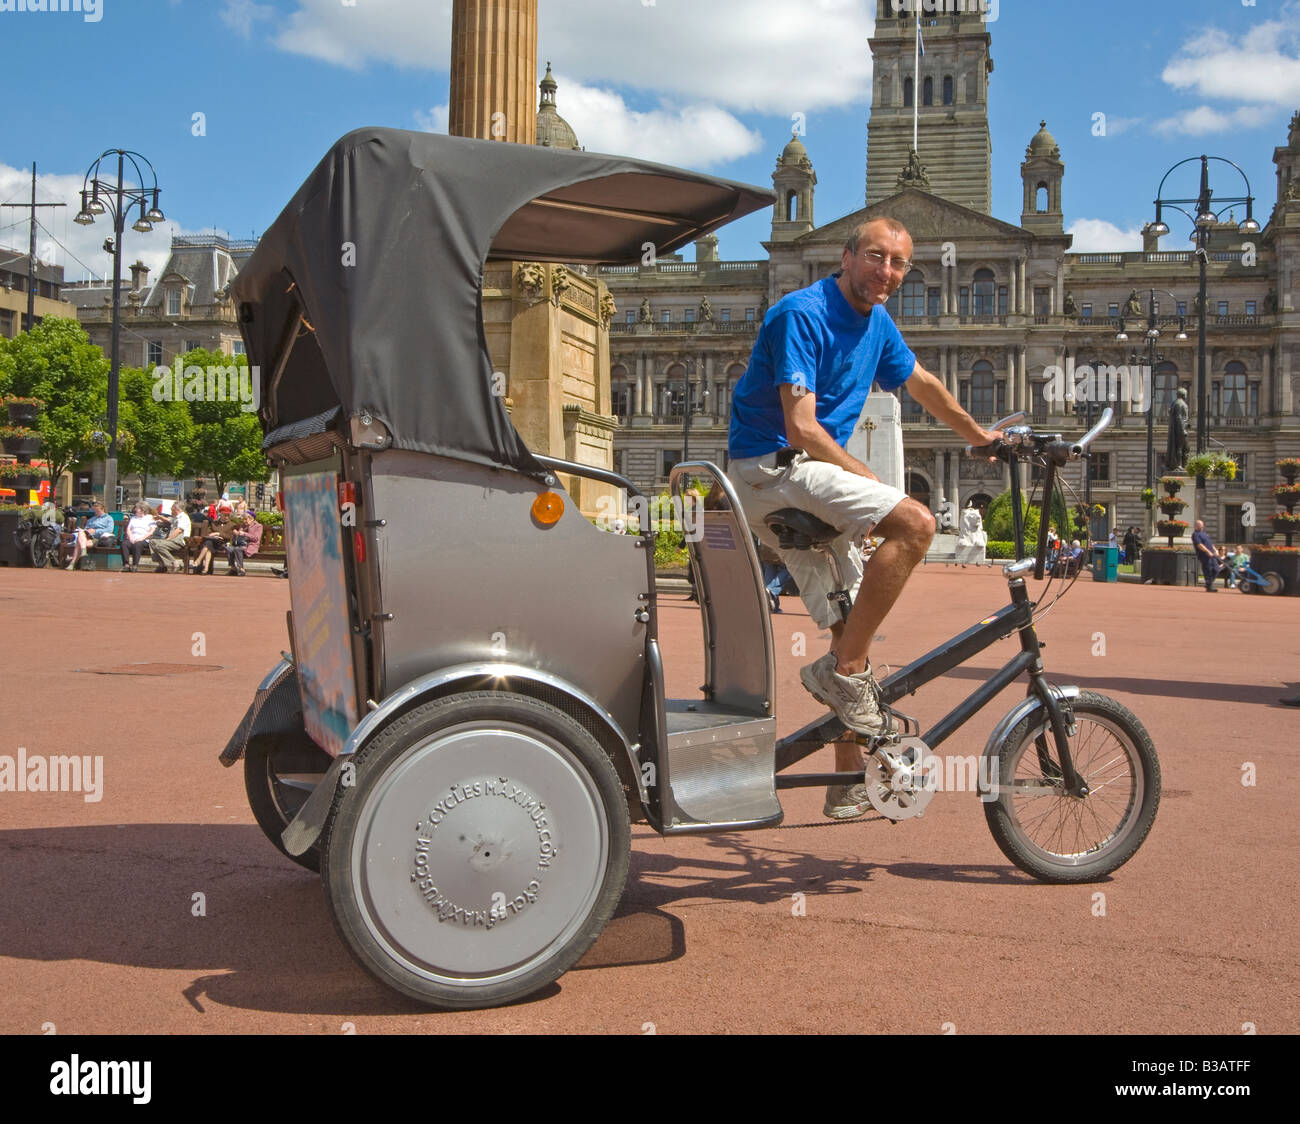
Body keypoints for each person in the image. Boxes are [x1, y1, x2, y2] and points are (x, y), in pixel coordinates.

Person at [726, 216, 1001, 821]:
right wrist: (861, 473)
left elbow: (922, 383)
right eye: (876, 257)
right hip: (770, 470)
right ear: (846, 257)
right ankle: (842, 671)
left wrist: (980, 434)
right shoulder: (802, 312)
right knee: (917, 524)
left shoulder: (877, 322)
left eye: (899, 263)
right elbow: (800, 425)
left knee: (852, 627)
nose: (887, 272)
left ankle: (847, 780)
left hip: (797, 472)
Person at [66, 500, 116, 569]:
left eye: (97, 511)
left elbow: (109, 530)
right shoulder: (92, 519)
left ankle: (73, 562)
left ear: (102, 509)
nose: (96, 513)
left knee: (79, 542)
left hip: (99, 539)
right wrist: (86, 530)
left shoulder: (108, 518)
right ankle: (82, 551)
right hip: (87, 537)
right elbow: (86, 528)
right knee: (81, 533)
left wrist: (95, 531)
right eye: (95, 511)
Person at [148, 500, 192, 573]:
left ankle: (175, 563)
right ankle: (162, 565)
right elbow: (169, 520)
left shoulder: (184, 517)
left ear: (176, 509)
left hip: (179, 541)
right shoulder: (176, 517)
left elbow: (179, 531)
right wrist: (160, 517)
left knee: (159, 545)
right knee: (152, 542)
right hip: (173, 540)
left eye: (172, 509)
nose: (171, 510)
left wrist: (168, 539)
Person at [122, 502, 157, 572]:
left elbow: (151, 532)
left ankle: (135, 565)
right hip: (133, 538)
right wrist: (131, 537)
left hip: (144, 539)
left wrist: (141, 538)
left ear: (142, 510)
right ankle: (126, 565)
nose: (135, 509)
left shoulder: (150, 518)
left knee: (137, 544)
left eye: (137, 508)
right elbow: (128, 529)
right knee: (124, 544)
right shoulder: (133, 518)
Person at [1191, 519, 1220, 592]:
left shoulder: (1204, 533)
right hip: (1204, 555)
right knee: (1208, 570)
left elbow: (1210, 543)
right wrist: (1207, 551)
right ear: (1196, 526)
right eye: (1200, 525)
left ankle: (1208, 583)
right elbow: (1199, 545)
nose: (1202, 526)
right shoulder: (1195, 534)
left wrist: (1215, 550)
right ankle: (1209, 586)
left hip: (1212, 554)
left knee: (1216, 569)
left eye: (1202, 525)